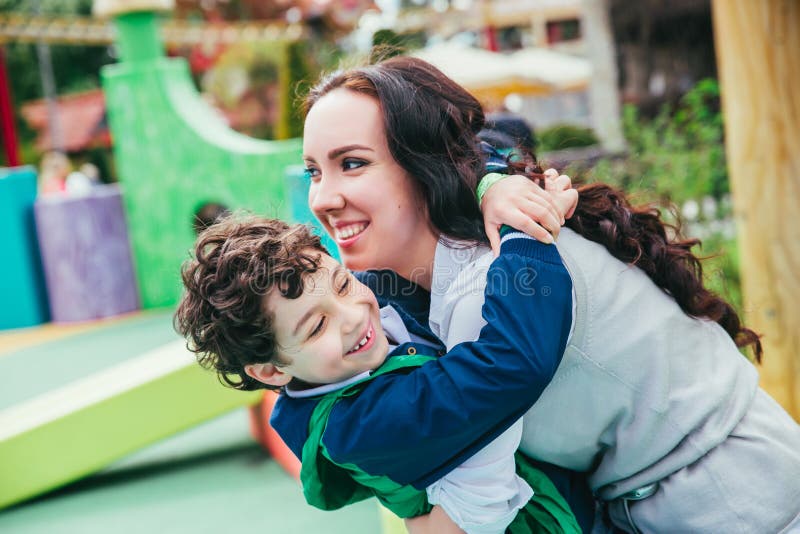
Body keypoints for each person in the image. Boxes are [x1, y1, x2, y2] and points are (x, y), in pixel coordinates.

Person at [300, 55, 800, 533]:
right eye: (315, 171)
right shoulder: (452, 256)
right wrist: (491, 180)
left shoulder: (492, 282)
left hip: (733, 506)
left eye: (353, 163)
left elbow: (479, 489)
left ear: (423, 165)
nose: (323, 197)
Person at [174, 214, 581, 533]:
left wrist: (493, 185)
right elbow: (508, 368)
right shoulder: (362, 426)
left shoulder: (353, 320)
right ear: (270, 370)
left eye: (344, 284)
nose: (352, 317)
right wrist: (524, 233)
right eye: (316, 328)